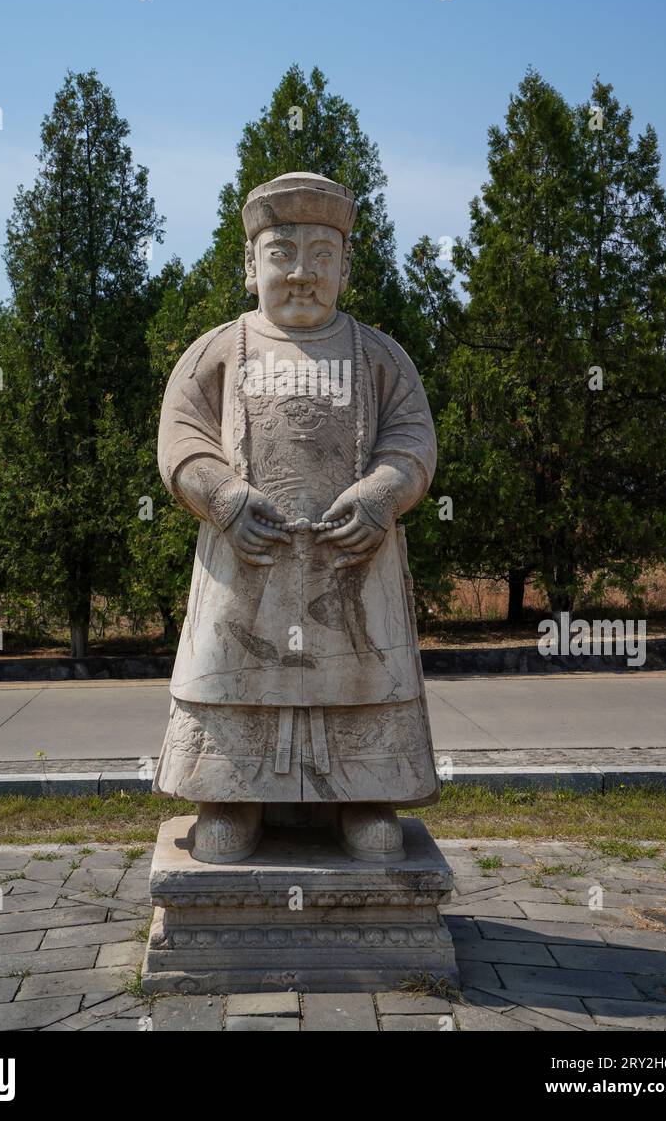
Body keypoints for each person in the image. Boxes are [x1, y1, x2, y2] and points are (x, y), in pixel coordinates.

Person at [155, 172, 439, 863]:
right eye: (283, 253)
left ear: (345, 266)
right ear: (251, 267)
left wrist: (380, 495)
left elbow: (412, 439)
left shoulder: (379, 355)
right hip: (245, 561)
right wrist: (221, 499)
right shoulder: (218, 348)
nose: (303, 273)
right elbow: (182, 436)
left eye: (322, 255)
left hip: (352, 562)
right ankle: (229, 796)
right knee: (235, 670)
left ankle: (364, 795)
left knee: (359, 669)